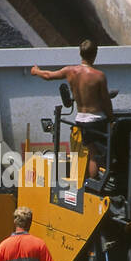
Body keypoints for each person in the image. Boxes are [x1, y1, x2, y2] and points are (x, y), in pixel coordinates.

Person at [30, 39, 114, 179]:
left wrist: (36, 71)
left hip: (80, 119)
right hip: (96, 119)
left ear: (80, 53)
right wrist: (111, 119)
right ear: (95, 54)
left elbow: (48, 75)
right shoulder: (99, 76)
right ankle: (95, 185)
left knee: (90, 150)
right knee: (97, 155)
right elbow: (106, 101)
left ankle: (88, 181)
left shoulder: (70, 71)